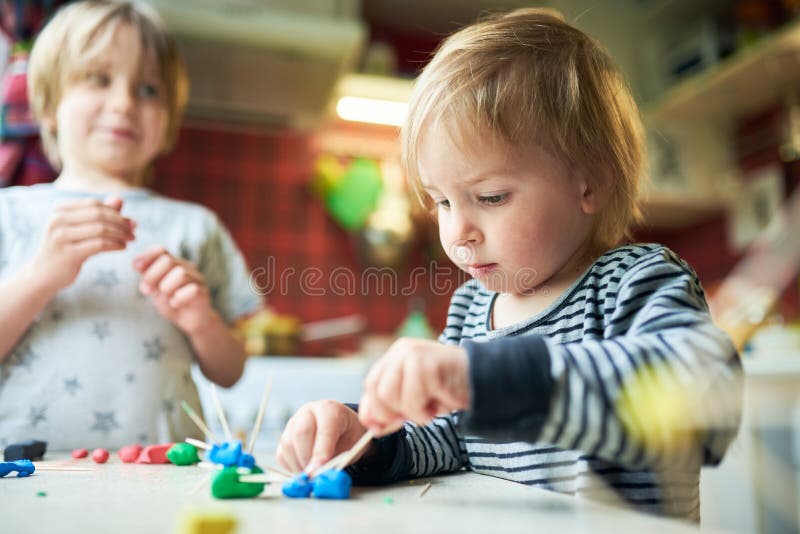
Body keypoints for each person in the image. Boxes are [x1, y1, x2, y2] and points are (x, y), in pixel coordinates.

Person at [276, 8, 742, 521]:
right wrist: (364, 436)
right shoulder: (473, 307)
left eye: (491, 197)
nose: (457, 232)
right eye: (442, 203)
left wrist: (485, 380)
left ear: (589, 183)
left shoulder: (634, 282)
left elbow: (703, 398)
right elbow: (447, 439)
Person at [0, 1, 260, 449]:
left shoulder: (197, 227)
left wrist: (200, 320)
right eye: (98, 79)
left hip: (165, 478)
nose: (123, 104)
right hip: (24, 479)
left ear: (168, 123)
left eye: (148, 90)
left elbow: (231, 371)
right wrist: (41, 277)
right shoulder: (9, 215)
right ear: (46, 105)